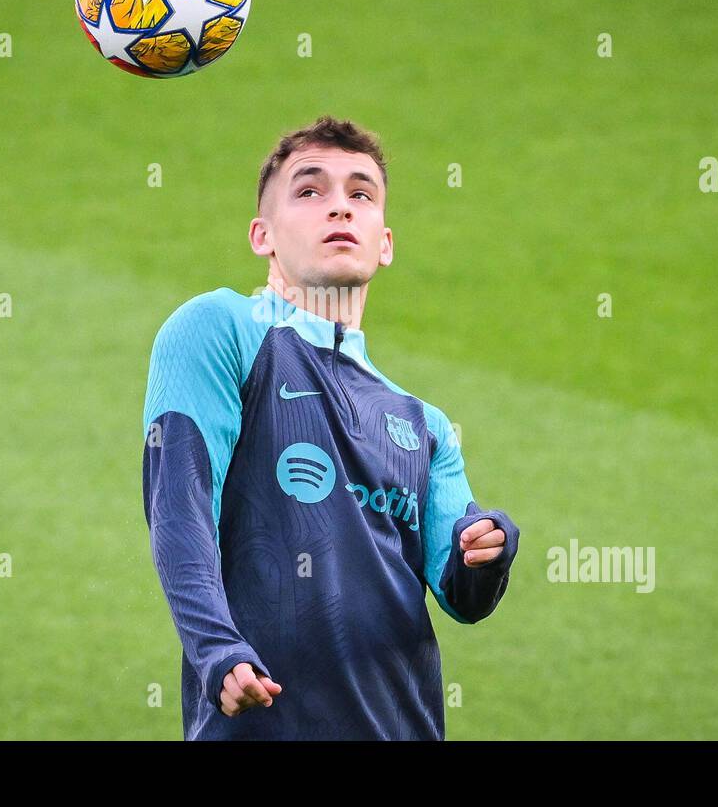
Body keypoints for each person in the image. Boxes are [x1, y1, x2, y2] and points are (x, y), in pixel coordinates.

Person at [141, 114, 520, 739]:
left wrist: (488, 549)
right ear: (263, 235)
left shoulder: (422, 424)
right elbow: (179, 507)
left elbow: (462, 597)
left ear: (386, 242)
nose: (339, 208)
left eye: (360, 194)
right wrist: (216, 650)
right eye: (310, 191)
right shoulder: (220, 329)